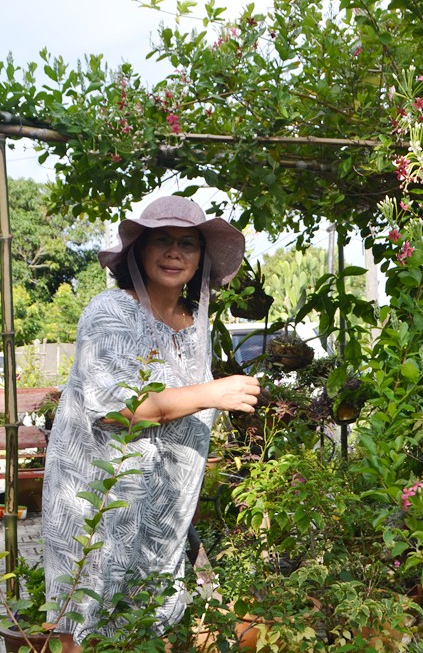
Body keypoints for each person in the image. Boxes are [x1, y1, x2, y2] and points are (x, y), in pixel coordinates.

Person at [41, 195, 261, 651]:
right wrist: (212, 393)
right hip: (99, 495)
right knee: (85, 612)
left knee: (148, 618)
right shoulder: (110, 311)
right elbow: (118, 407)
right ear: (139, 250)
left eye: (187, 243)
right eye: (162, 240)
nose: (174, 253)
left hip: (162, 502)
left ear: (200, 258)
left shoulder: (192, 321)